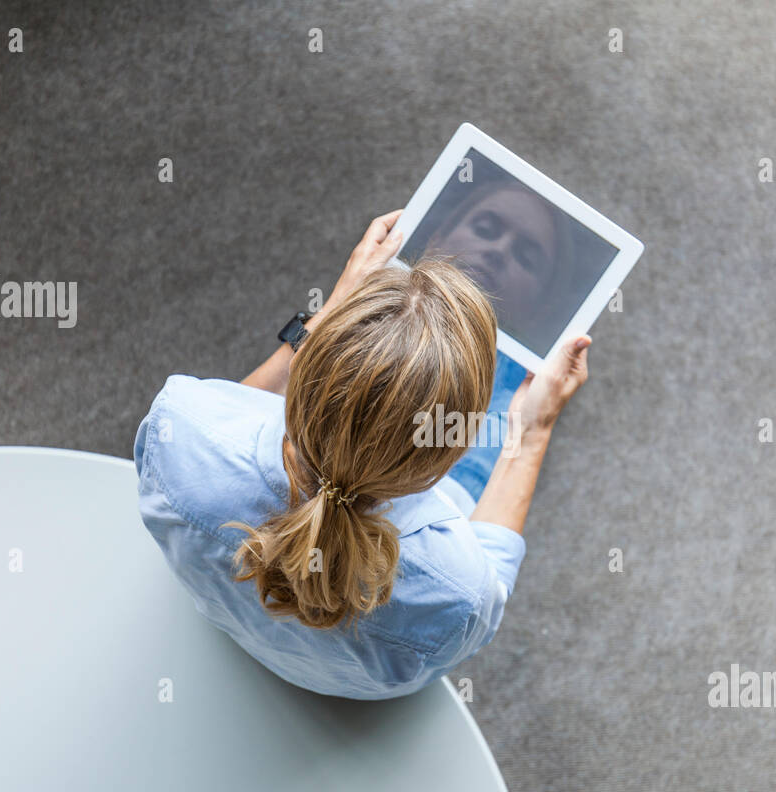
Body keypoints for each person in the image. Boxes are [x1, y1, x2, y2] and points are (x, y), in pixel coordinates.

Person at [134, 210, 591, 699]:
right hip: (355, 701)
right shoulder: (459, 594)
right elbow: (494, 580)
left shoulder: (177, 422)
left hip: (210, 625)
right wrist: (532, 432)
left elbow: (231, 415)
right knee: (507, 387)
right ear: (453, 454)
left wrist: (332, 308)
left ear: (310, 361)